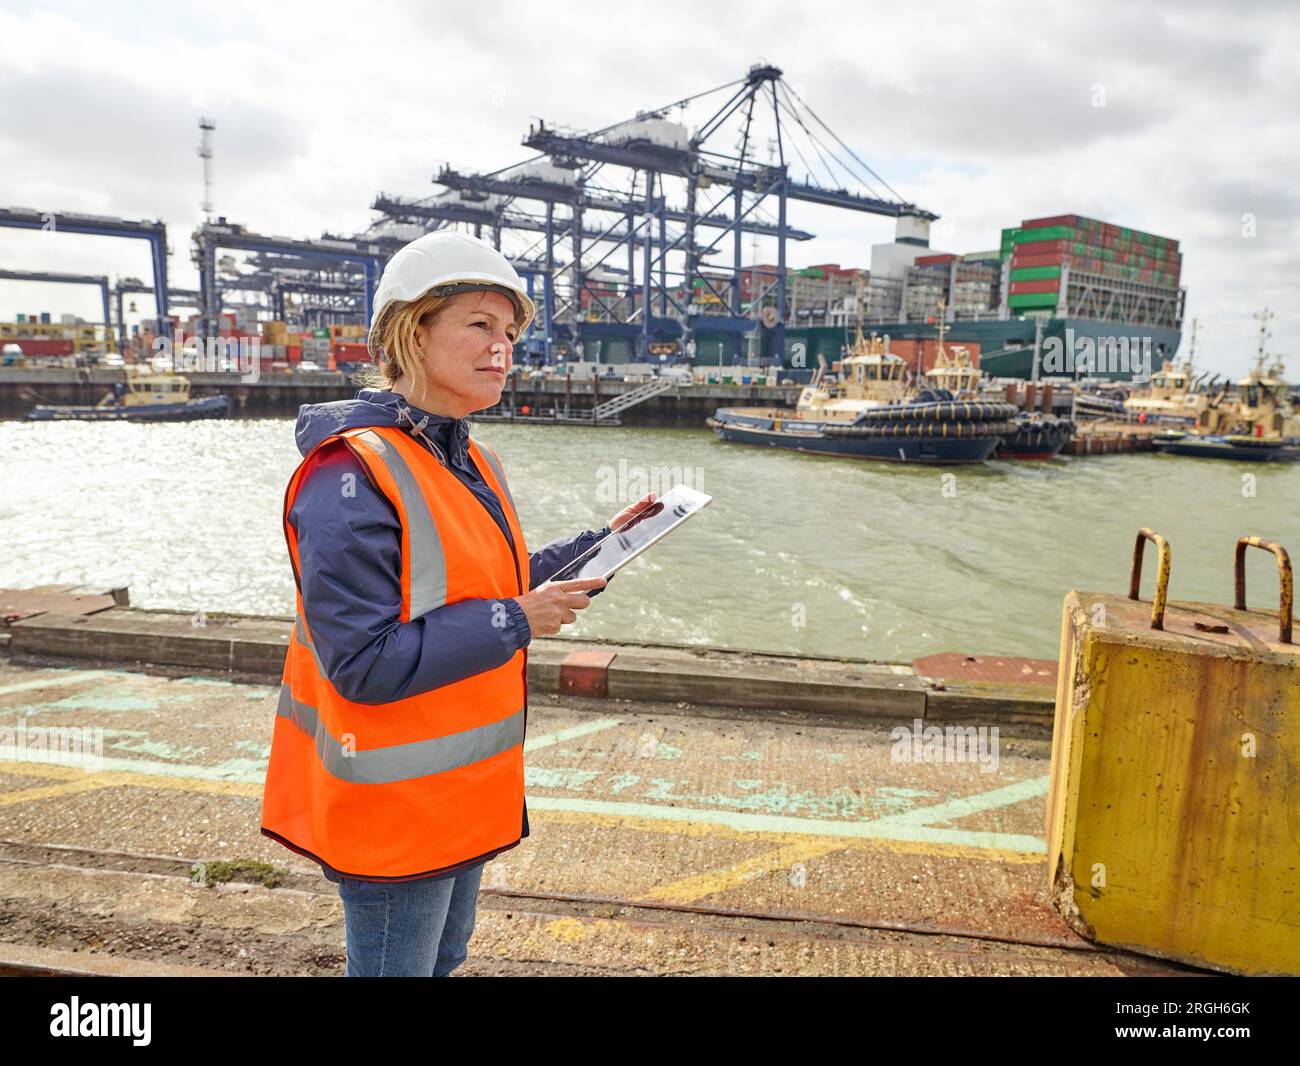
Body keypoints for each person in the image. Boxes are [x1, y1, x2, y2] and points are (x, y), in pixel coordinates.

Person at [260, 231, 653, 976]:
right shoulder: (348, 474)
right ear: (412, 332)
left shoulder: (472, 458)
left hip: (464, 795)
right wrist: (517, 620)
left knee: (442, 961)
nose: (502, 348)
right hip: (393, 813)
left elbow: (491, 579)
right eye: (479, 325)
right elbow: (363, 663)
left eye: (510, 333)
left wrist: (606, 543)